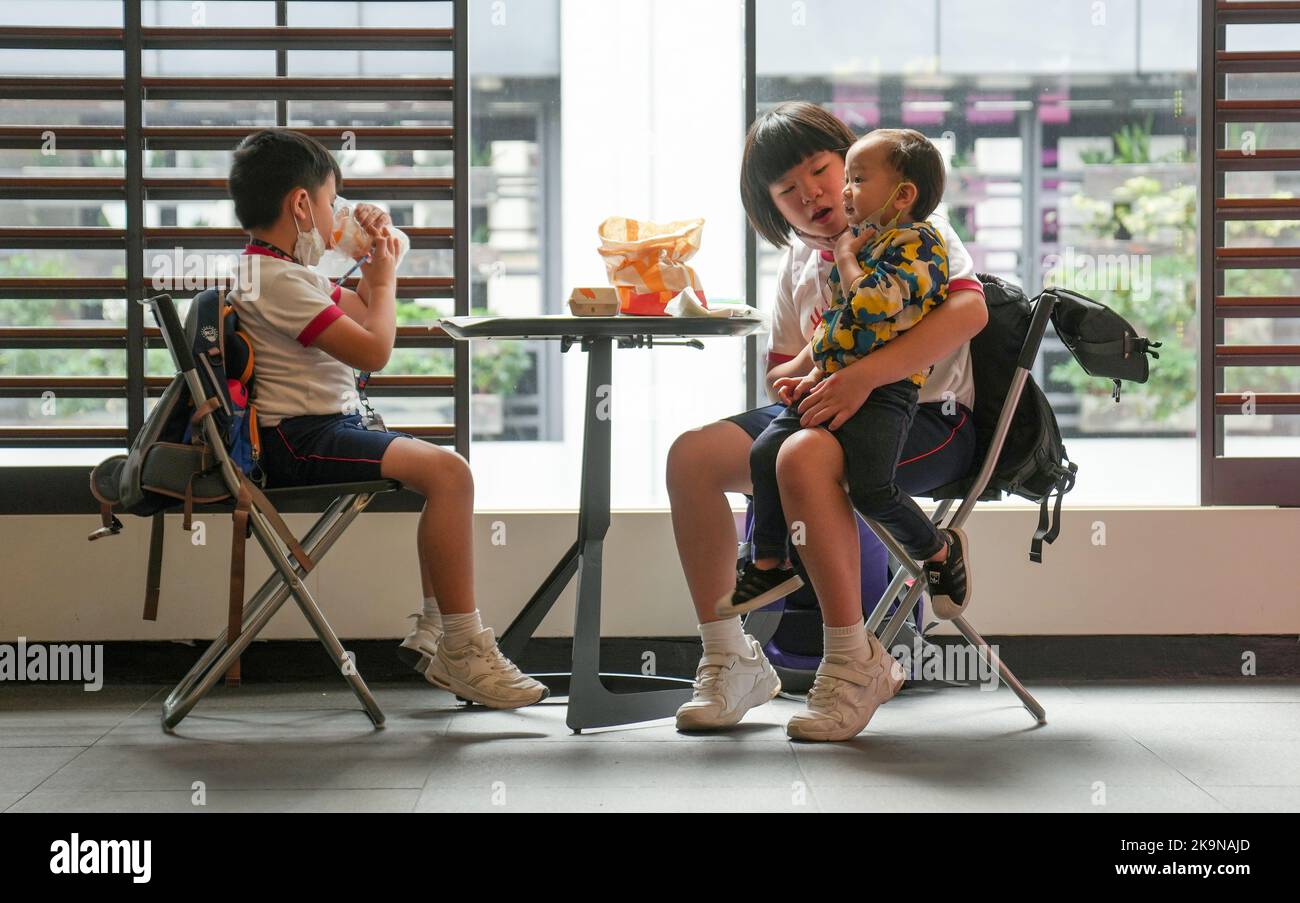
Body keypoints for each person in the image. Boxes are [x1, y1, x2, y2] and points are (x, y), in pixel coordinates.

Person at [668, 103, 987, 735]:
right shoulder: (798, 264)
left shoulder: (916, 230)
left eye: (821, 170)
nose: (811, 193)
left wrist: (861, 376)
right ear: (771, 209)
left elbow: (967, 315)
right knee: (692, 456)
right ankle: (732, 659)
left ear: (855, 166)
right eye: (787, 190)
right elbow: (785, 365)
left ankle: (853, 661)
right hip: (831, 415)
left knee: (802, 455)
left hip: (929, 419)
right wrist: (797, 385)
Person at [226, 128, 547, 710]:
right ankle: (463, 644)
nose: (333, 219)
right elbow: (374, 349)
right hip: (298, 439)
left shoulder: (277, 273)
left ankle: (438, 627)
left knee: (444, 474)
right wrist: (379, 274)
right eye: (329, 205)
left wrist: (376, 259)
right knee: (450, 474)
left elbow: (366, 309)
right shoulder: (276, 280)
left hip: (316, 430)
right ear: (301, 205)